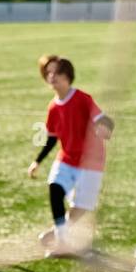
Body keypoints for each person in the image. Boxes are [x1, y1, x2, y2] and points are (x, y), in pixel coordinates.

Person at [27, 56, 114, 254]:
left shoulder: (83, 99)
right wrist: (37, 161)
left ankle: (56, 233)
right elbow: (51, 139)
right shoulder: (53, 107)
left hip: (91, 161)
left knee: (81, 207)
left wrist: (105, 129)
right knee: (55, 188)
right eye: (48, 73)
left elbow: (104, 120)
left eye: (56, 72)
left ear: (67, 76)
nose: (51, 76)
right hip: (66, 158)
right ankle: (62, 241)